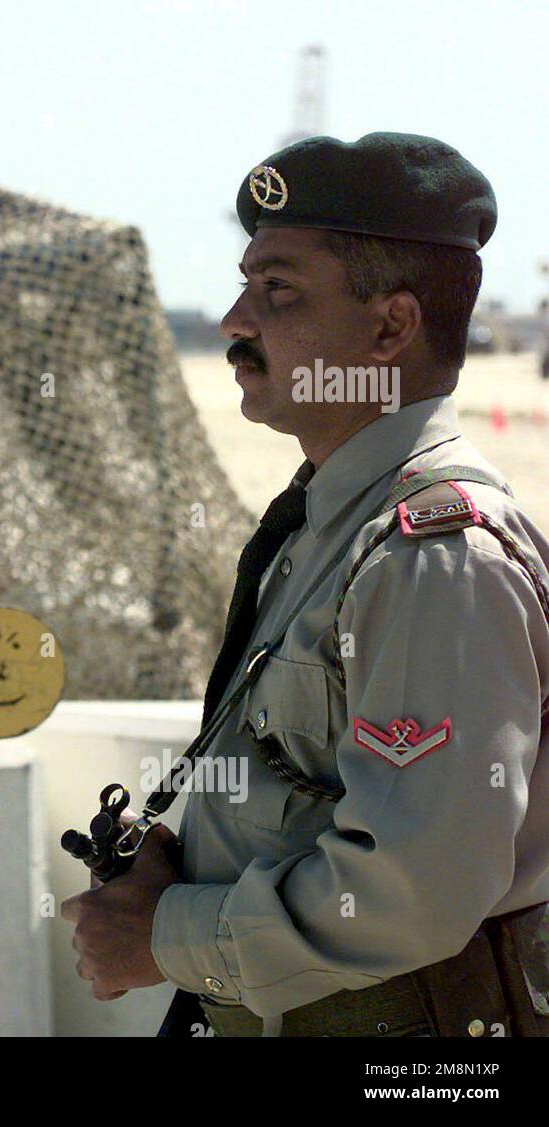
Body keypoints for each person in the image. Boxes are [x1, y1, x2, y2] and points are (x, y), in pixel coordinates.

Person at [62, 133, 549, 1036]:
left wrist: (166, 935)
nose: (235, 320)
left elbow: (414, 888)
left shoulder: (432, 556)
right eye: (246, 284)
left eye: (278, 290)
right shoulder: (336, 521)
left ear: (391, 327)